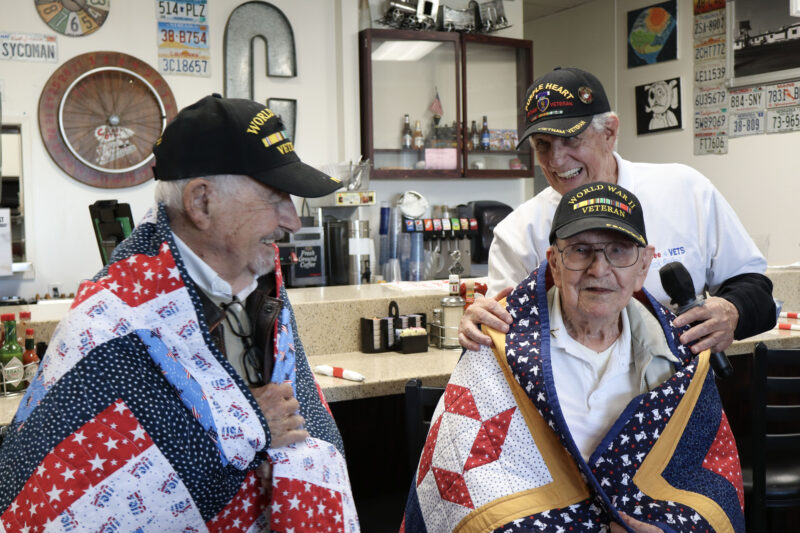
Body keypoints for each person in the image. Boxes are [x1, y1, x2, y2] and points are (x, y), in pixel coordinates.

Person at [0, 95, 359, 532]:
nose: (293, 221)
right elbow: (101, 492)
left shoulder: (262, 284)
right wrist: (249, 422)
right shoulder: (108, 323)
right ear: (201, 202)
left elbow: (300, 418)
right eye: (275, 197)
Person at [403, 183, 745, 533]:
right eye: (581, 250)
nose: (599, 269)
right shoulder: (497, 342)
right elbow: (461, 485)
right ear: (554, 262)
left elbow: (712, 484)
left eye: (618, 250)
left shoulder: (681, 359)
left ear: (643, 265)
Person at [459, 67, 775, 356]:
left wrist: (733, 310)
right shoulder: (518, 232)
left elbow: (754, 288)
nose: (555, 160)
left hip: (680, 386)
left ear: (609, 132)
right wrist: (479, 325)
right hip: (568, 396)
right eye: (543, 144)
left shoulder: (686, 190)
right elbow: (502, 333)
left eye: (571, 139)